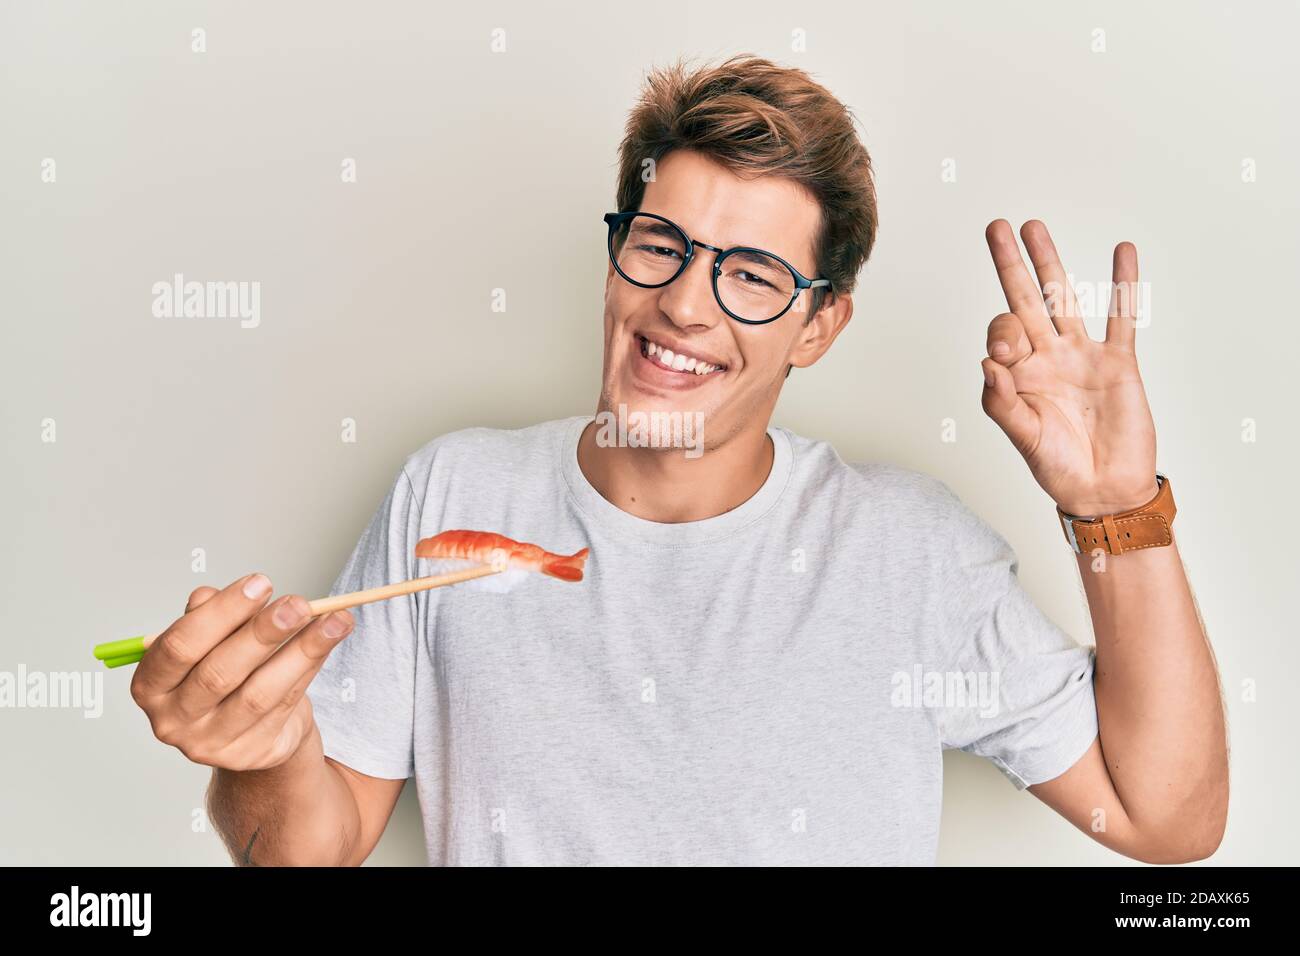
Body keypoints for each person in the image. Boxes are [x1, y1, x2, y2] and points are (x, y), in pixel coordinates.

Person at [130, 54, 1228, 866]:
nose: (685, 304)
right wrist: (263, 748)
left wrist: (1116, 502)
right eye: (661, 245)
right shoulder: (453, 494)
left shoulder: (907, 548)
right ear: (618, 254)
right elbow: (300, 851)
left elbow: (1163, 814)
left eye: (751, 273)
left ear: (818, 327)